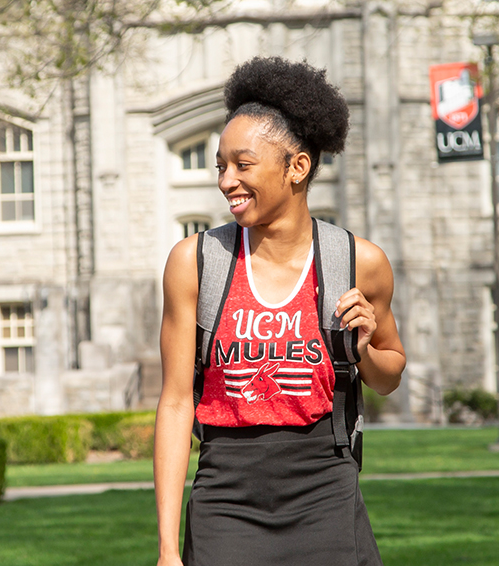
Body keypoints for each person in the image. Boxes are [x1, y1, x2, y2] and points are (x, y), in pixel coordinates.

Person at [155, 57, 407, 566]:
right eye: (220, 166)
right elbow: (178, 402)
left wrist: (363, 352)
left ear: (297, 167)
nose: (227, 181)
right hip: (225, 497)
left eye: (242, 165)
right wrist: (166, 549)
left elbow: (389, 375)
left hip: (324, 493)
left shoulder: (360, 263)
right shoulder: (195, 263)